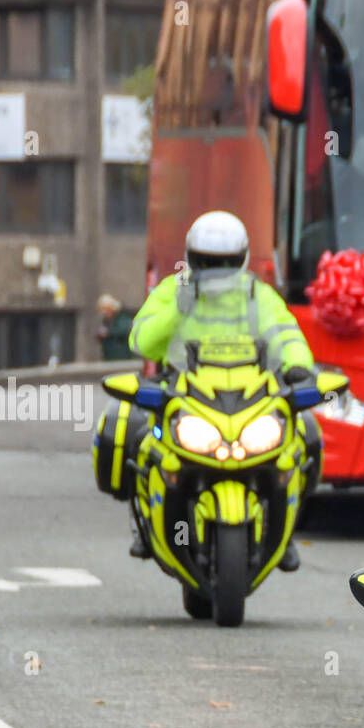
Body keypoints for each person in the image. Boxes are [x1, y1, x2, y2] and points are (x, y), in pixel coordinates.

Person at [128, 210, 315, 568]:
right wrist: (176, 312)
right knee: (137, 434)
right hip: (186, 393)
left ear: (241, 258)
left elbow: (285, 333)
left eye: (225, 262)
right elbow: (141, 341)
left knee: (307, 437)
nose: (217, 270)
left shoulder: (257, 295)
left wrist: (299, 368)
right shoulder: (174, 289)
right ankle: (144, 526)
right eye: (209, 262)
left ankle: (284, 533)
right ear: (193, 258)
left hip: (251, 396)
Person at [95, 295, 133, 361]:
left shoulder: (122, 318)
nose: (104, 312)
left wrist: (109, 332)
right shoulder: (106, 320)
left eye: (105, 309)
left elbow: (124, 330)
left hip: (121, 357)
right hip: (109, 357)